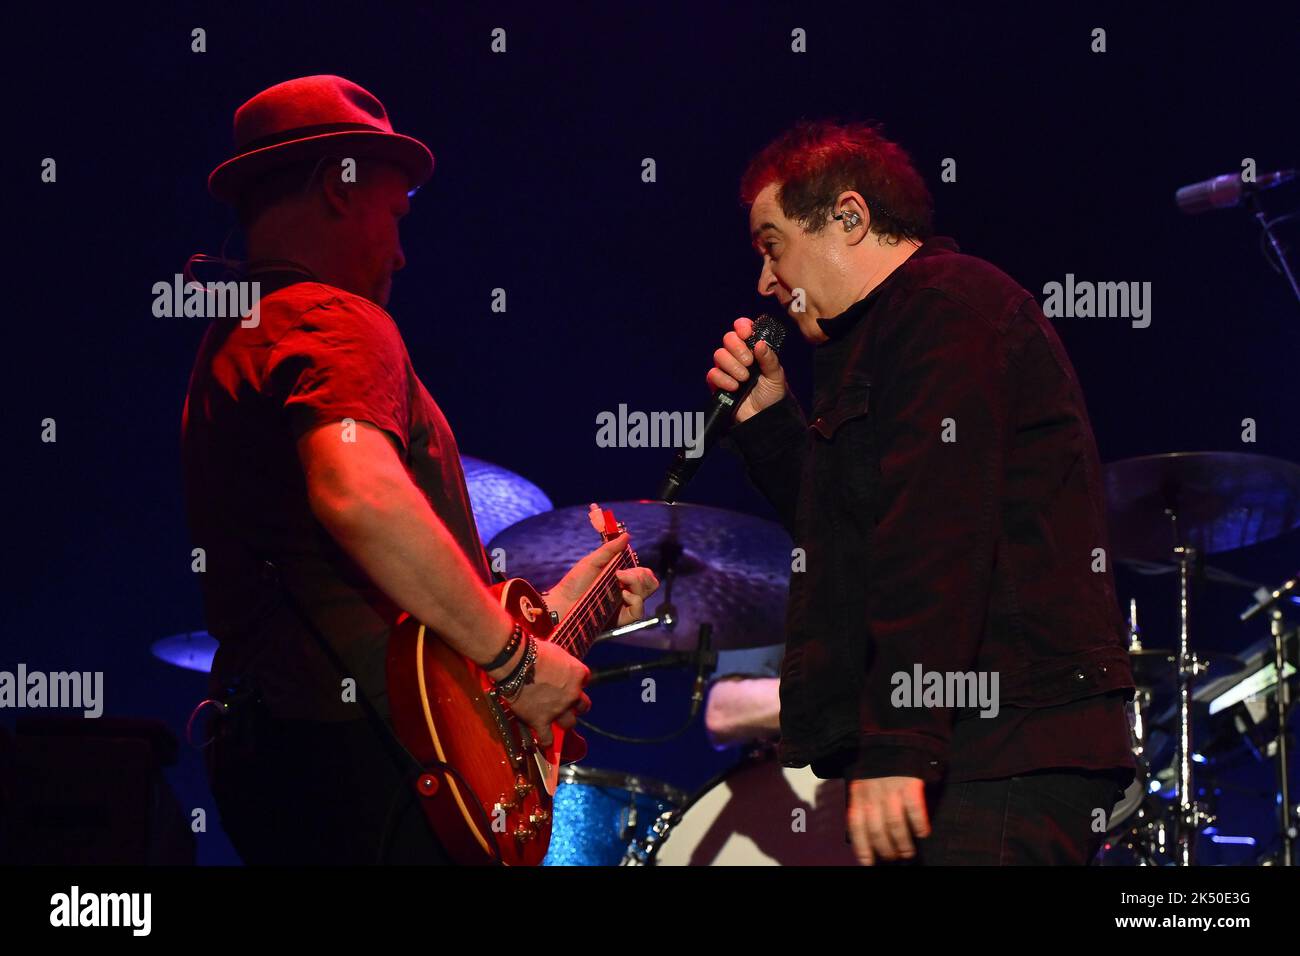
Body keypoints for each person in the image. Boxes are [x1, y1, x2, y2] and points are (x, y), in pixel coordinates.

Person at [182, 75, 657, 864]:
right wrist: (515, 662)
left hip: (284, 751)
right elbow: (358, 494)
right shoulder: (334, 317)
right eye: (397, 215)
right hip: (374, 760)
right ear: (340, 191)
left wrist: (562, 614)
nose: (403, 251)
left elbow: (355, 585)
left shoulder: (234, 341)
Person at [705, 120, 1135, 865]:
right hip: (974, 745)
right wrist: (771, 427)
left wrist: (902, 738)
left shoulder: (946, 307)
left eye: (772, 245)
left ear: (849, 216)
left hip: (1004, 743)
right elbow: (851, 537)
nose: (766, 281)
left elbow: (935, 533)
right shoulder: (885, 337)